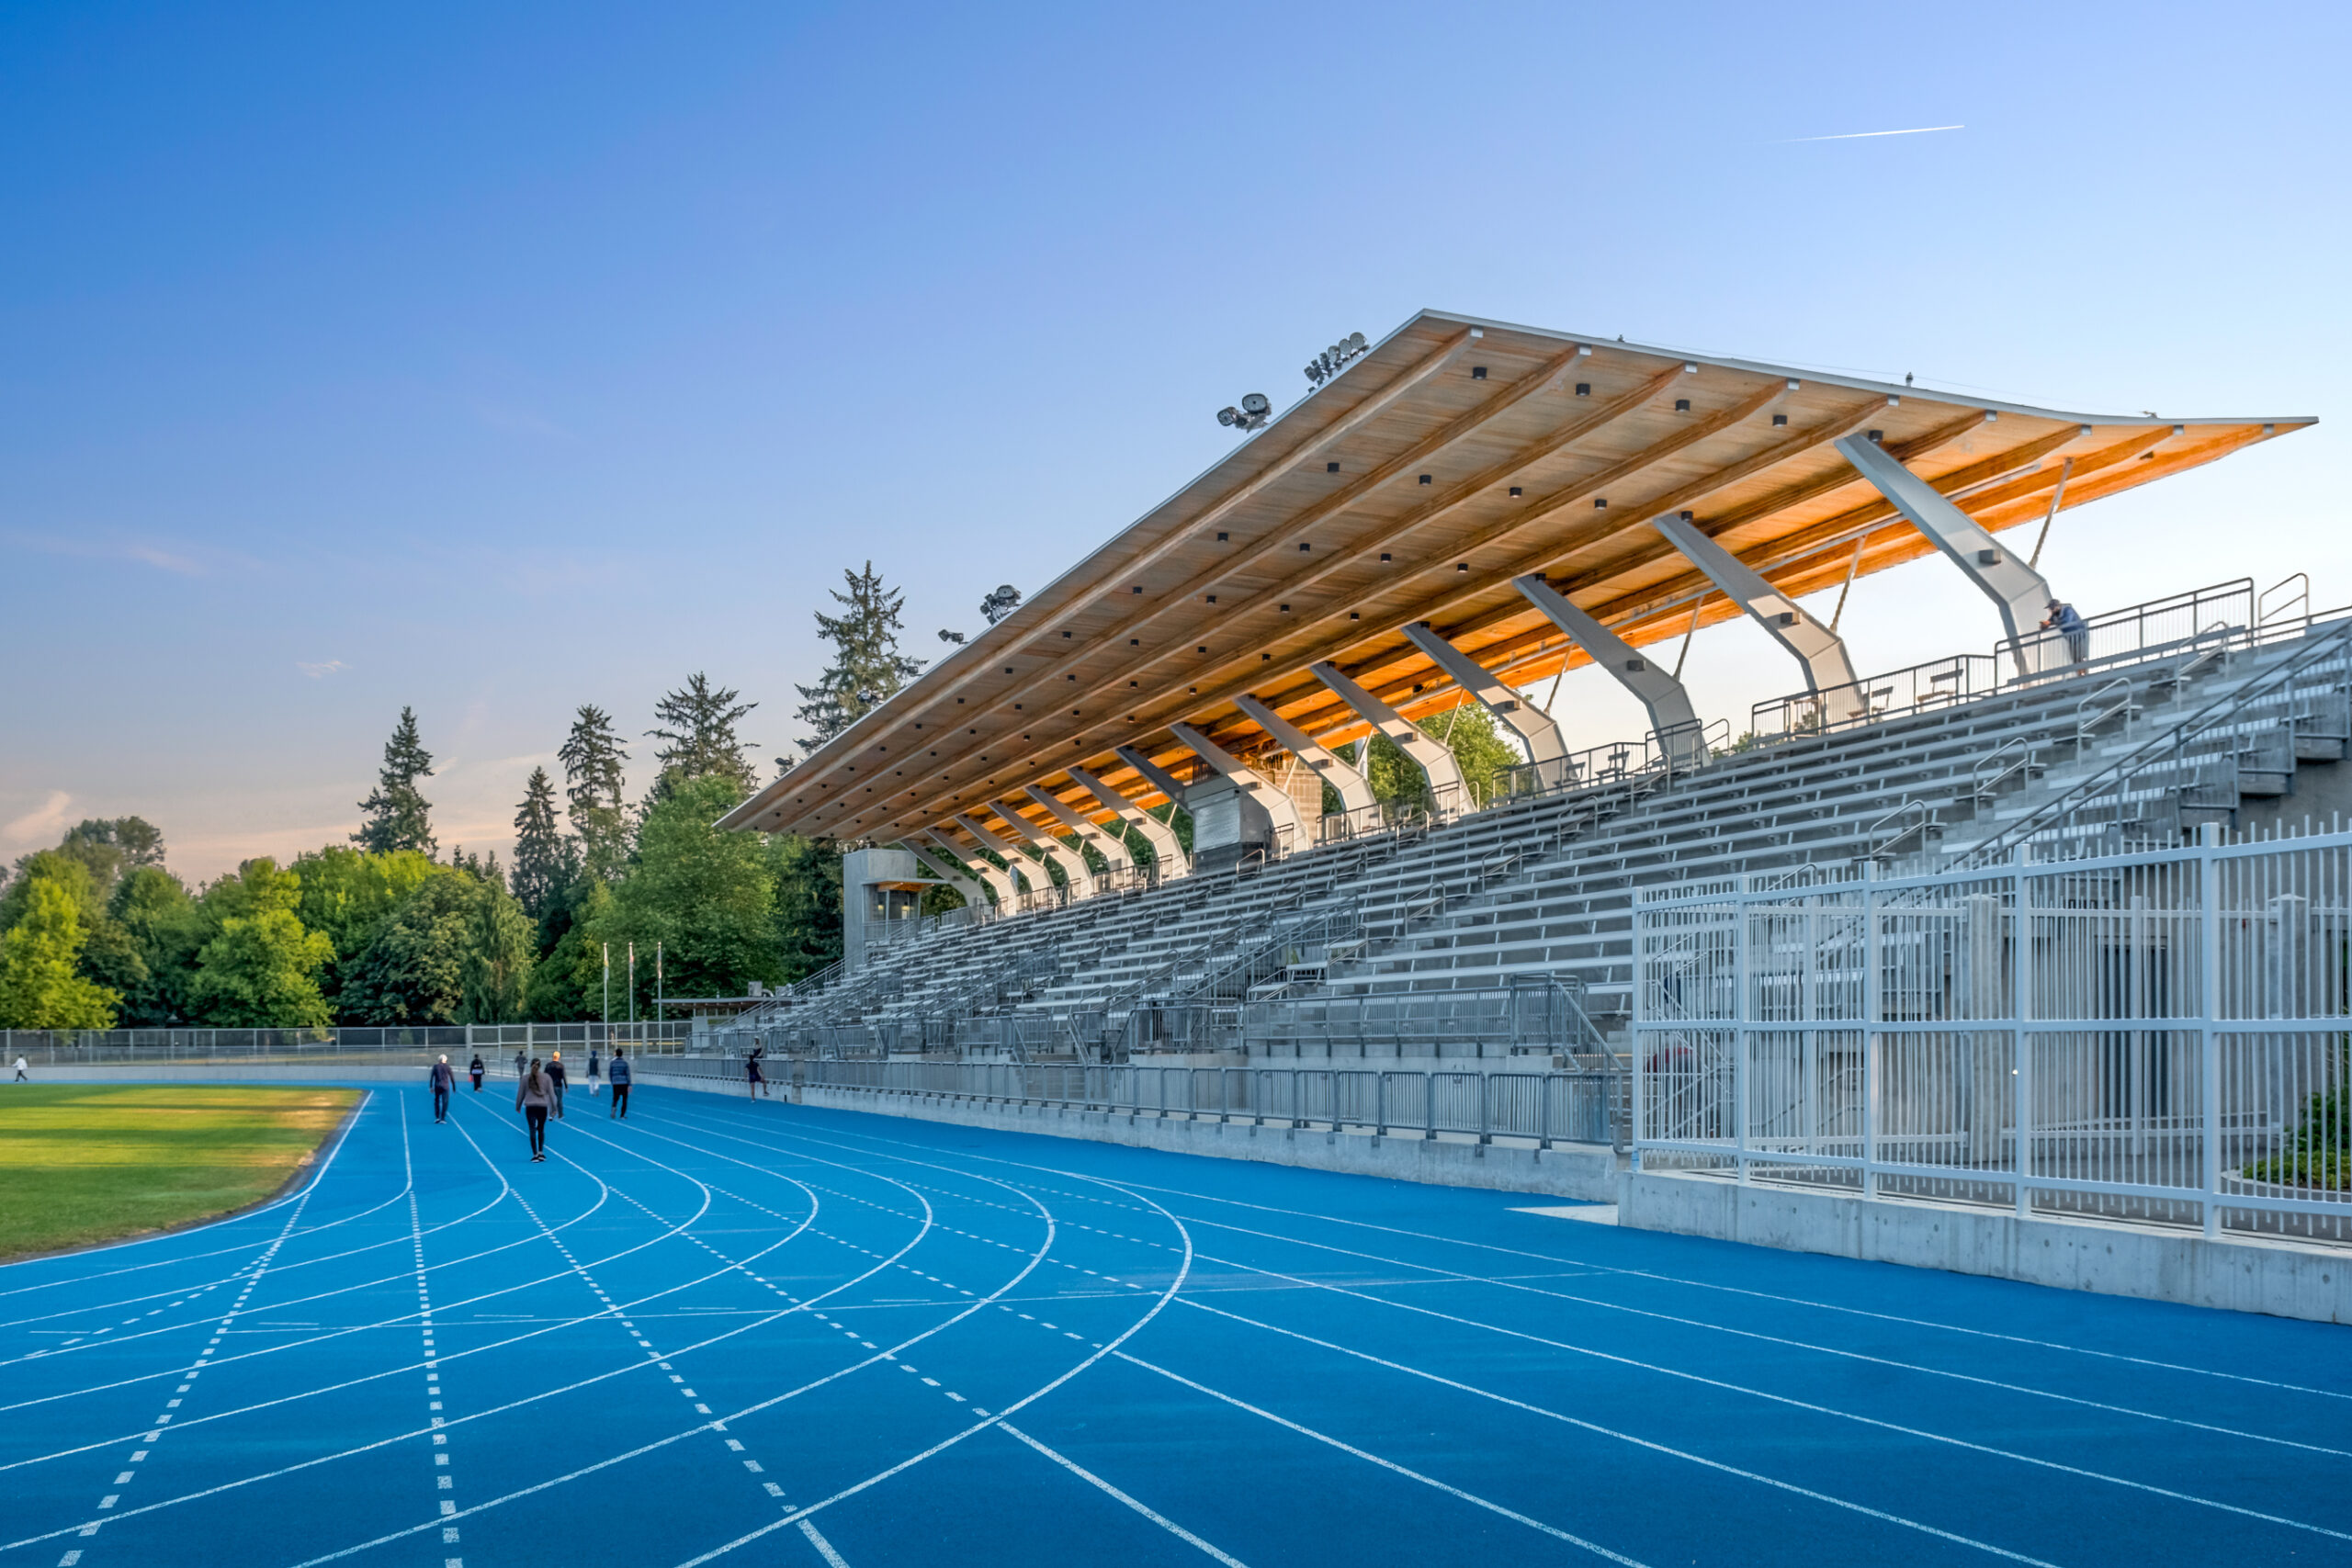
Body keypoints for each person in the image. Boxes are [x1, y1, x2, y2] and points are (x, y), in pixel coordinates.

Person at [515, 1057, 553, 1162]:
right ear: (540, 1066)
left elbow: (520, 1094)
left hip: (530, 1106)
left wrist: (518, 1106)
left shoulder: (525, 1078)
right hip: (542, 1106)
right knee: (541, 1129)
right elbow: (551, 1093)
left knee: (532, 1129)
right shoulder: (546, 1077)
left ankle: (535, 1154)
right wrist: (553, 1108)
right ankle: (541, 1152)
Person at [2044, 599, 2089, 664]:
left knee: (2081, 656)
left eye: (2052, 608)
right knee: (2074, 659)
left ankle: (2084, 671)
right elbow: (2050, 621)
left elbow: (2067, 620)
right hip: (2071, 640)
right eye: (2050, 608)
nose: (2051, 610)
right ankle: (2080, 673)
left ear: (2057, 606)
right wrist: (2045, 624)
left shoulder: (2068, 610)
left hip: (2080, 636)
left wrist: (2055, 622)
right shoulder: (2055, 615)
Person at [428, 1055, 455, 1123]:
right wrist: (454, 1087)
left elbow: (432, 1077)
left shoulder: (435, 1067)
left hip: (437, 1086)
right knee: (445, 1102)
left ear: (439, 1060)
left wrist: (431, 1087)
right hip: (445, 1086)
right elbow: (452, 1077)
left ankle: (437, 1117)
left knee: (437, 1101)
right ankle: (443, 1118)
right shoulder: (448, 1067)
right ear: (445, 1060)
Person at [607, 1048, 632, 1120]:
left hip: (616, 1083)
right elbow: (628, 1074)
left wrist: (612, 1081)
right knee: (624, 1099)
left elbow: (610, 1073)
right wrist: (629, 1084)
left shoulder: (612, 1063)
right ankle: (622, 1115)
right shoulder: (625, 1063)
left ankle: (614, 1108)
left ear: (616, 1054)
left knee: (615, 1098)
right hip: (624, 1083)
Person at [547, 1050, 569, 1120]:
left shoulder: (548, 1065)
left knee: (551, 1100)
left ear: (553, 1056)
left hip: (550, 1085)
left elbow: (545, 1076)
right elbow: (563, 1077)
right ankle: (560, 1114)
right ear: (558, 1057)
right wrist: (566, 1086)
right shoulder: (561, 1066)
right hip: (558, 1085)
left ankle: (551, 1115)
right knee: (559, 1100)